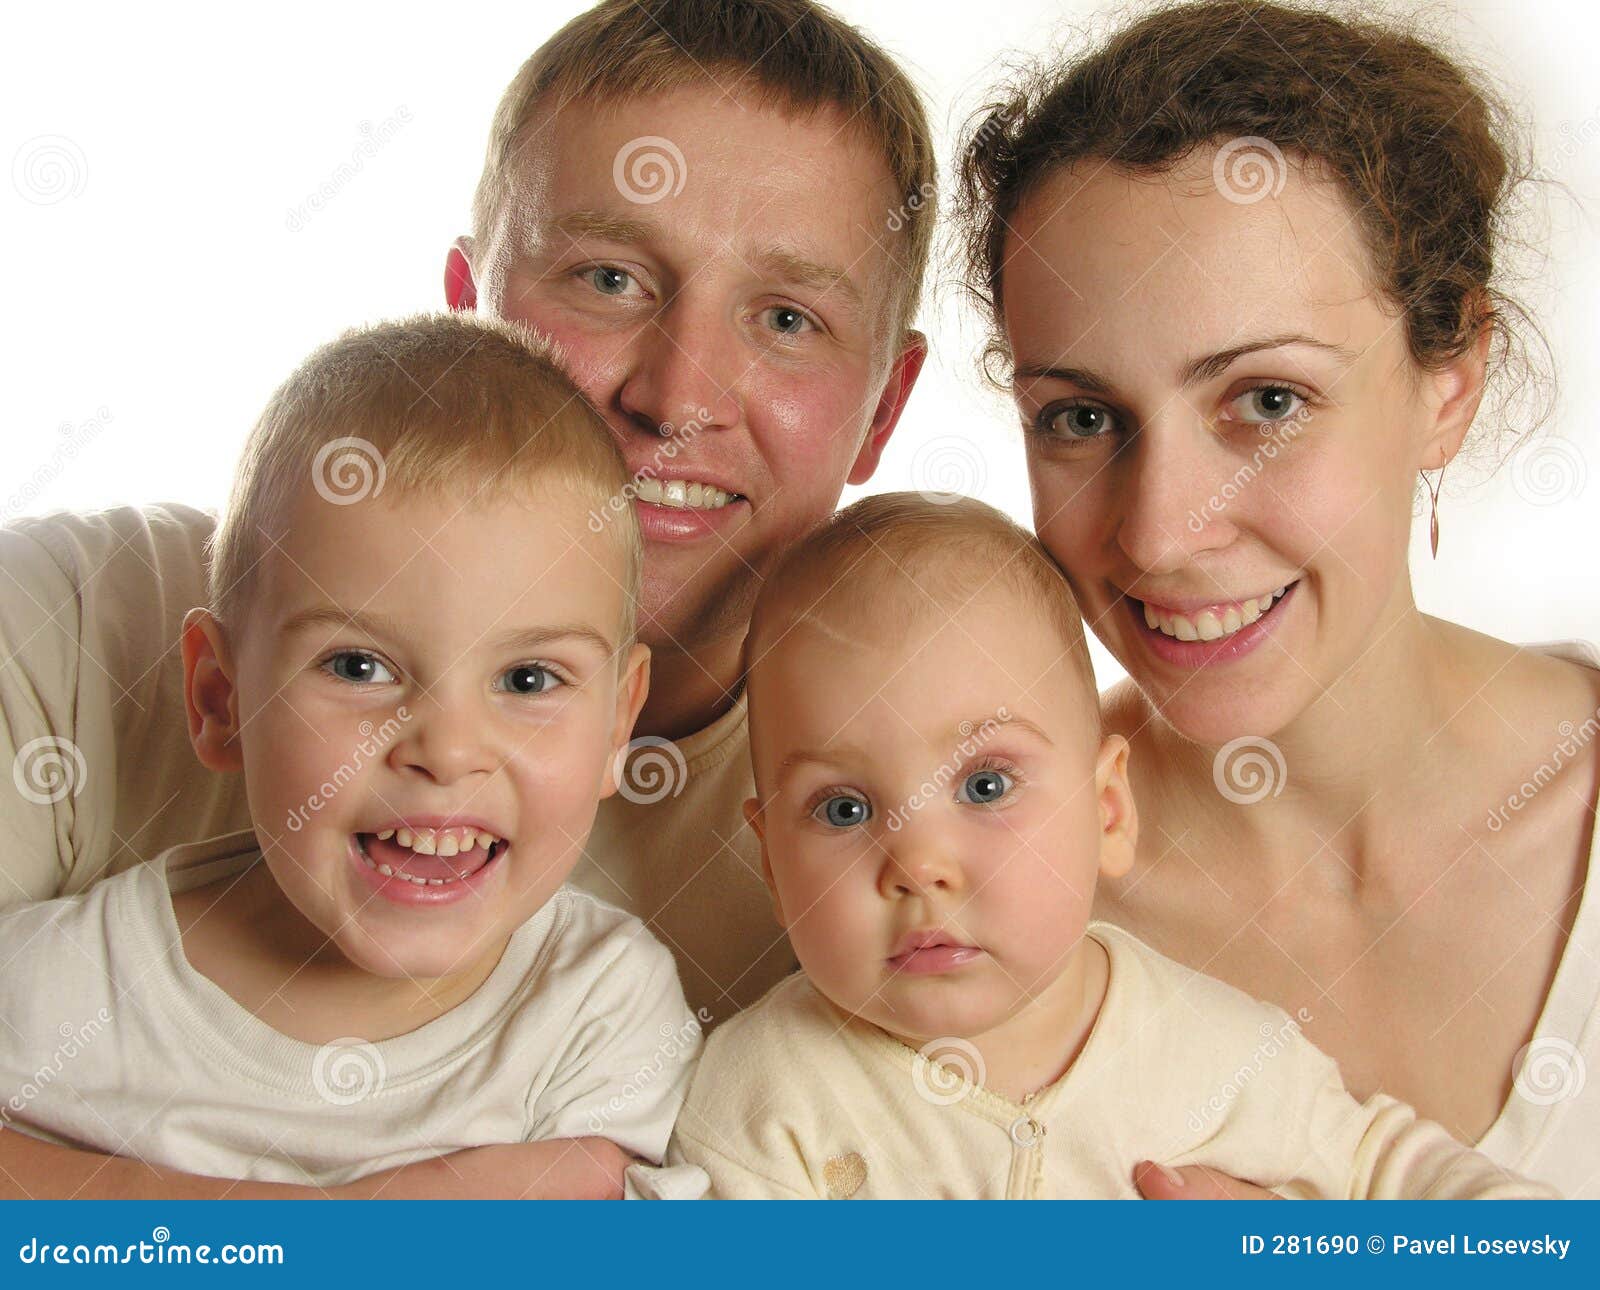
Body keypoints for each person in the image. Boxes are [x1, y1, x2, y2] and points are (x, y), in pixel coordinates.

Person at [0, 0, 930, 1197]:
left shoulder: (936, 819)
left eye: (788, 318)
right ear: (463, 309)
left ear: (887, 409)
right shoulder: (75, 626)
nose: (678, 393)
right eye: (606, 277)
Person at [955, 0, 1597, 1197]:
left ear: (1450, 380)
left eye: (1267, 400)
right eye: (1082, 419)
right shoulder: (956, 900)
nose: (1160, 531)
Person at [667, 492, 1554, 1199]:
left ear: (1107, 813)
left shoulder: (1223, 1054)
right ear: (774, 864)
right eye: (845, 810)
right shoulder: (761, 1102)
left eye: (985, 786)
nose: (918, 866)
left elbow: (1396, 1179)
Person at [0, 313, 701, 1199]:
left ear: (615, 727)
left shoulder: (600, 1012)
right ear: (221, 700)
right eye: (359, 666)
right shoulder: (61, 988)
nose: (447, 751)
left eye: (528, 679)